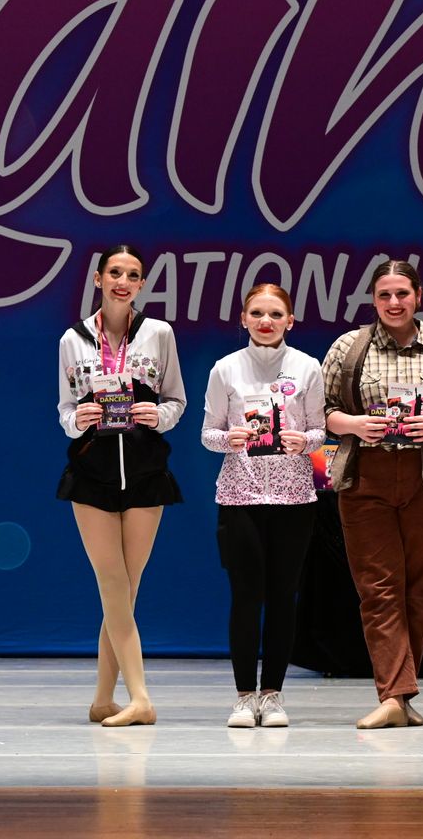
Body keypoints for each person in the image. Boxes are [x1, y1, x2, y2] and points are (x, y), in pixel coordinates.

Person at [321, 260, 423, 729]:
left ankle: (399, 695)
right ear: (373, 299)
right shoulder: (349, 346)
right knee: (378, 590)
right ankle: (395, 694)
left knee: (420, 590)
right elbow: (324, 413)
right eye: (385, 295)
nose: (394, 303)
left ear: (419, 296)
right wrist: (357, 425)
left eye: (403, 293)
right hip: (366, 478)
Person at [57, 245, 186, 727]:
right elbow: (64, 410)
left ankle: (101, 699)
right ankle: (141, 698)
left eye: (132, 274)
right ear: (98, 278)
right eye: (115, 272)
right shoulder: (72, 339)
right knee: (112, 584)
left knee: (125, 594)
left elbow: (177, 399)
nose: (123, 281)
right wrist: (79, 419)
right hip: (91, 474)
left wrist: (160, 415)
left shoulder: (158, 333)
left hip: (147, 473)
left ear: (140, 283)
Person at [201, 284, 325, 728]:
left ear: (290, 320)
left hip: (294, 499)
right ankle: (242, 696)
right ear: (244, 319)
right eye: (257, 313)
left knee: (282, 599)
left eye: (275, 313)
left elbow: (319, 430)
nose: (266, 321)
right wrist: (229, 439)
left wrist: (301, 441)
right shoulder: (226, 369)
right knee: (245, 597)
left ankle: (272, 695)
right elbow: (208, 433)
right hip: (240, 497)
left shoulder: (307, 367)